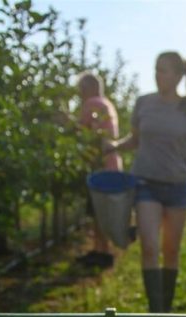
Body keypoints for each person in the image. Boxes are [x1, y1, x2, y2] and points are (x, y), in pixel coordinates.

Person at [103, 51, 186, 312]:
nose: (158, 75)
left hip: (178, 187)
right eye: (156, 69)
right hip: (146, 183)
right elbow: (134, 140)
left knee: (171, 251)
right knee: (149, 247)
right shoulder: (144, 103)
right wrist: (115, 146)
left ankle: (166, 309)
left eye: (163, 70)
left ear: (178, 76)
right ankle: (155, 310)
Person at [77, 71, 123, 267]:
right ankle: (100, 250)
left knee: (99, 211)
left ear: (91, 88)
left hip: (101, 166)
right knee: (100, 211)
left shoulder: (93, 104)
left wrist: (65, 122)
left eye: (82, 90)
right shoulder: (106, 104)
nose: (80, 94)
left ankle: (103, 253)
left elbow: (80, 131)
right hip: (111, 164)